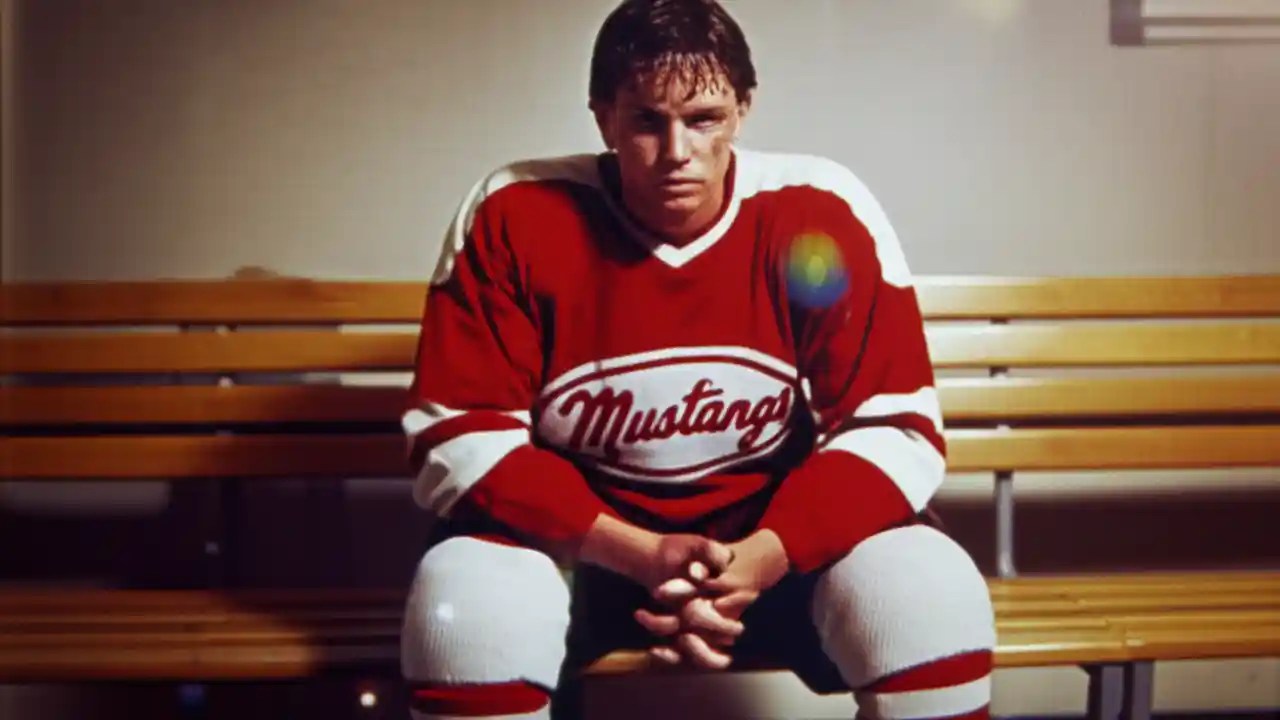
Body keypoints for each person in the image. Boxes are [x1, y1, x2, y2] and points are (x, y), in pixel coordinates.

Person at [398, 1, 995, 718]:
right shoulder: (518, 213)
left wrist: (766, 554)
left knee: (927, 587)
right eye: (648, 120)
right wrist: (639, 554)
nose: (678, 150)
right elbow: (459, 439)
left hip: (770, 554)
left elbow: (893, 427)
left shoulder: (815, 212)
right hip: (585, 557)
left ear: (743, 109)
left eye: (704, 118)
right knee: (463, 601)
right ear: (603, 118)